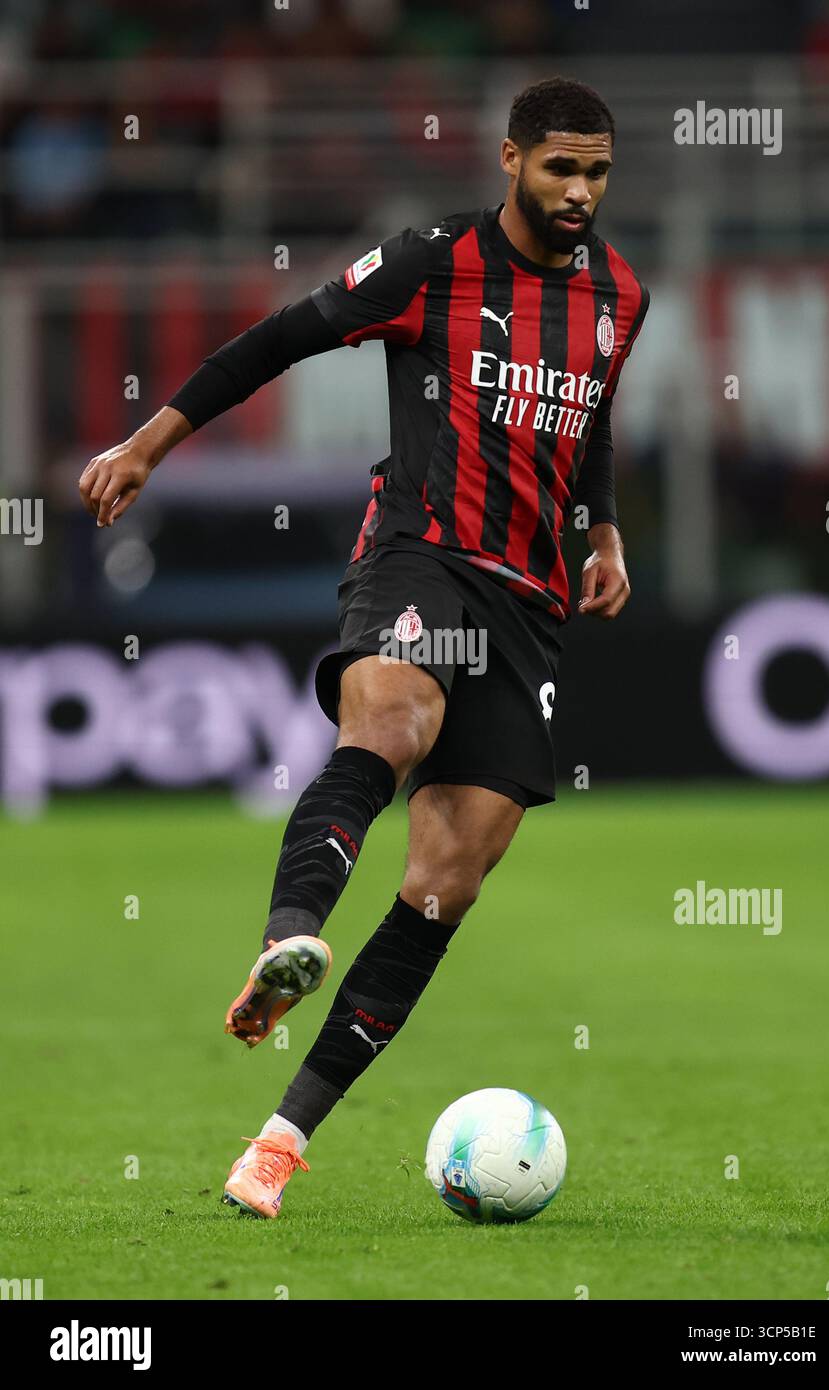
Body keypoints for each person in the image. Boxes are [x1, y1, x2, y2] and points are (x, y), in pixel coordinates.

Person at [79, 76, 650, 1219]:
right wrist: (151, 442)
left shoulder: (618, 294)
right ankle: (291, 935)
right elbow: (281, 338)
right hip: (420, 555)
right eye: (559, 169)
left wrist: (602, 531)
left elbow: (584, 417)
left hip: (528, 605)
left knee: (446, 881)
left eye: (595, 170)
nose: (579, 191)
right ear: (509, 161)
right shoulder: (431, 261)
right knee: (390, 724)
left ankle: (277, 1145)